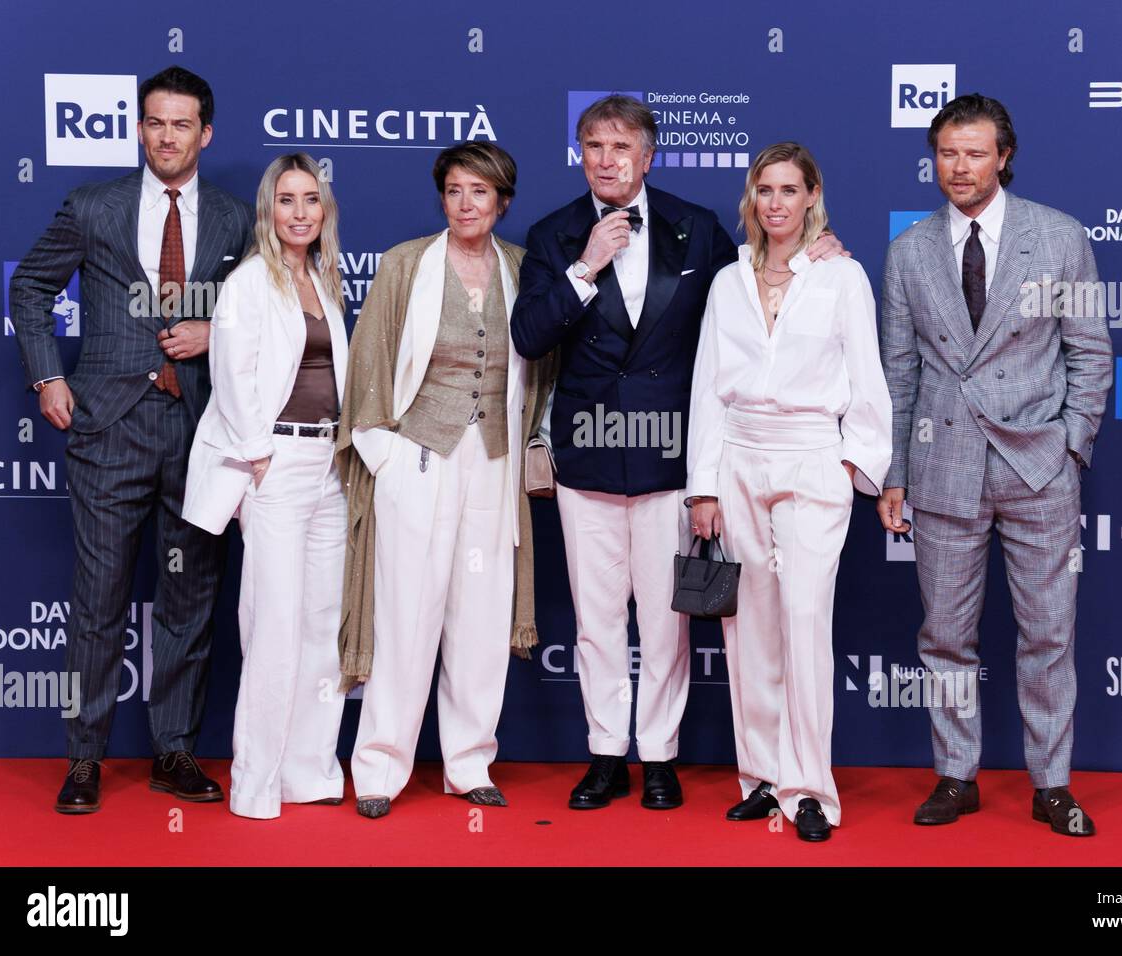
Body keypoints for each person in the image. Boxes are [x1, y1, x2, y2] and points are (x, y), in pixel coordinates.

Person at [511, 96, 845, 812]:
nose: (606, 158)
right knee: (597, 617)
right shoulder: (551, 234)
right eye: (593, 145)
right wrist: (584, 267)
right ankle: (606, 755)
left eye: (620, 146)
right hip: (588, 455)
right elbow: (530, 335)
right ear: (579, 154)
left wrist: (825, 252)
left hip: (674, 455)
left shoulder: (698, 231)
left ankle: (659, 756)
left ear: (648, 156)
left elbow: (755, 305)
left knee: (666, 619)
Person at [8, 66, 253, 814]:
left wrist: (220, 328)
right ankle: (85, 757)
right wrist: (49, 377)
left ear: (204, 134)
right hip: (109, 428)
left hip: (199, 432)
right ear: (138, 128)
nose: (165, 136)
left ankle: (174, 751)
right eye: (153, 122)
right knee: (97, 600)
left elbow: (271, 309)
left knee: (190, 595)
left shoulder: (238, 219)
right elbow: (31, 287)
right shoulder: (93, 207)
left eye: (180, 124)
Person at [877, 94, 1113, 836]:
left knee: (1049, 633)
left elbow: (1090, 351)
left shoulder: (1061, 237)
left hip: (1040, 467)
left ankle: (1052, 783)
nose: (960, 167)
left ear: (1003, 156)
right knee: (945, 635)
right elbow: (898, 372)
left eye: (975, 152)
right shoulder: (909, 249)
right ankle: (956, 775)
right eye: (948, 152)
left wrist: (1071, 441)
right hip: (944, 463)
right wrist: (893, 471)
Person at [336, 142, 552, 818]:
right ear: (443, 197)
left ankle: (468, 762)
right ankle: (379, 767)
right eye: (456, 190)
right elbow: (368, 367)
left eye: (480, 192)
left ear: (503, 202)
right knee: (406, 612)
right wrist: (388, 458)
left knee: (483, 617)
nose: (466, 204)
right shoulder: (405, 265)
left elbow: (541, 369)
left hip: (493, 460)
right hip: (419, 460)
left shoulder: (521, 267)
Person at [686, 143, 892, 842]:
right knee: (749, 630)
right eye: (765, 190)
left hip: (810, 458)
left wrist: (848, 466)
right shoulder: (726, 282)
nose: (776, 202)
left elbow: (869, 383)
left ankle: (811, 792)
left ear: (812, 197)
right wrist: (702, 487)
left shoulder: (843, 278)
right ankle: (762, 777)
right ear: (752, 199)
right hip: (738, 456)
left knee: (804, 623)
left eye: (789, 190)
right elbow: (708, 389)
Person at [182, 153, 349, 819]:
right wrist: (258, 457)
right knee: (274, 625)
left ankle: (308, 772)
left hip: (328, 467)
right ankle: (257, 784)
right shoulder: (252, 282)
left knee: (320, 626)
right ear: (268, 210)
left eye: (311, 199)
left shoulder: (323, 279)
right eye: (287, 200)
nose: (300, 212)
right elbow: (232, 377)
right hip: (274, 463)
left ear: (324, 210)